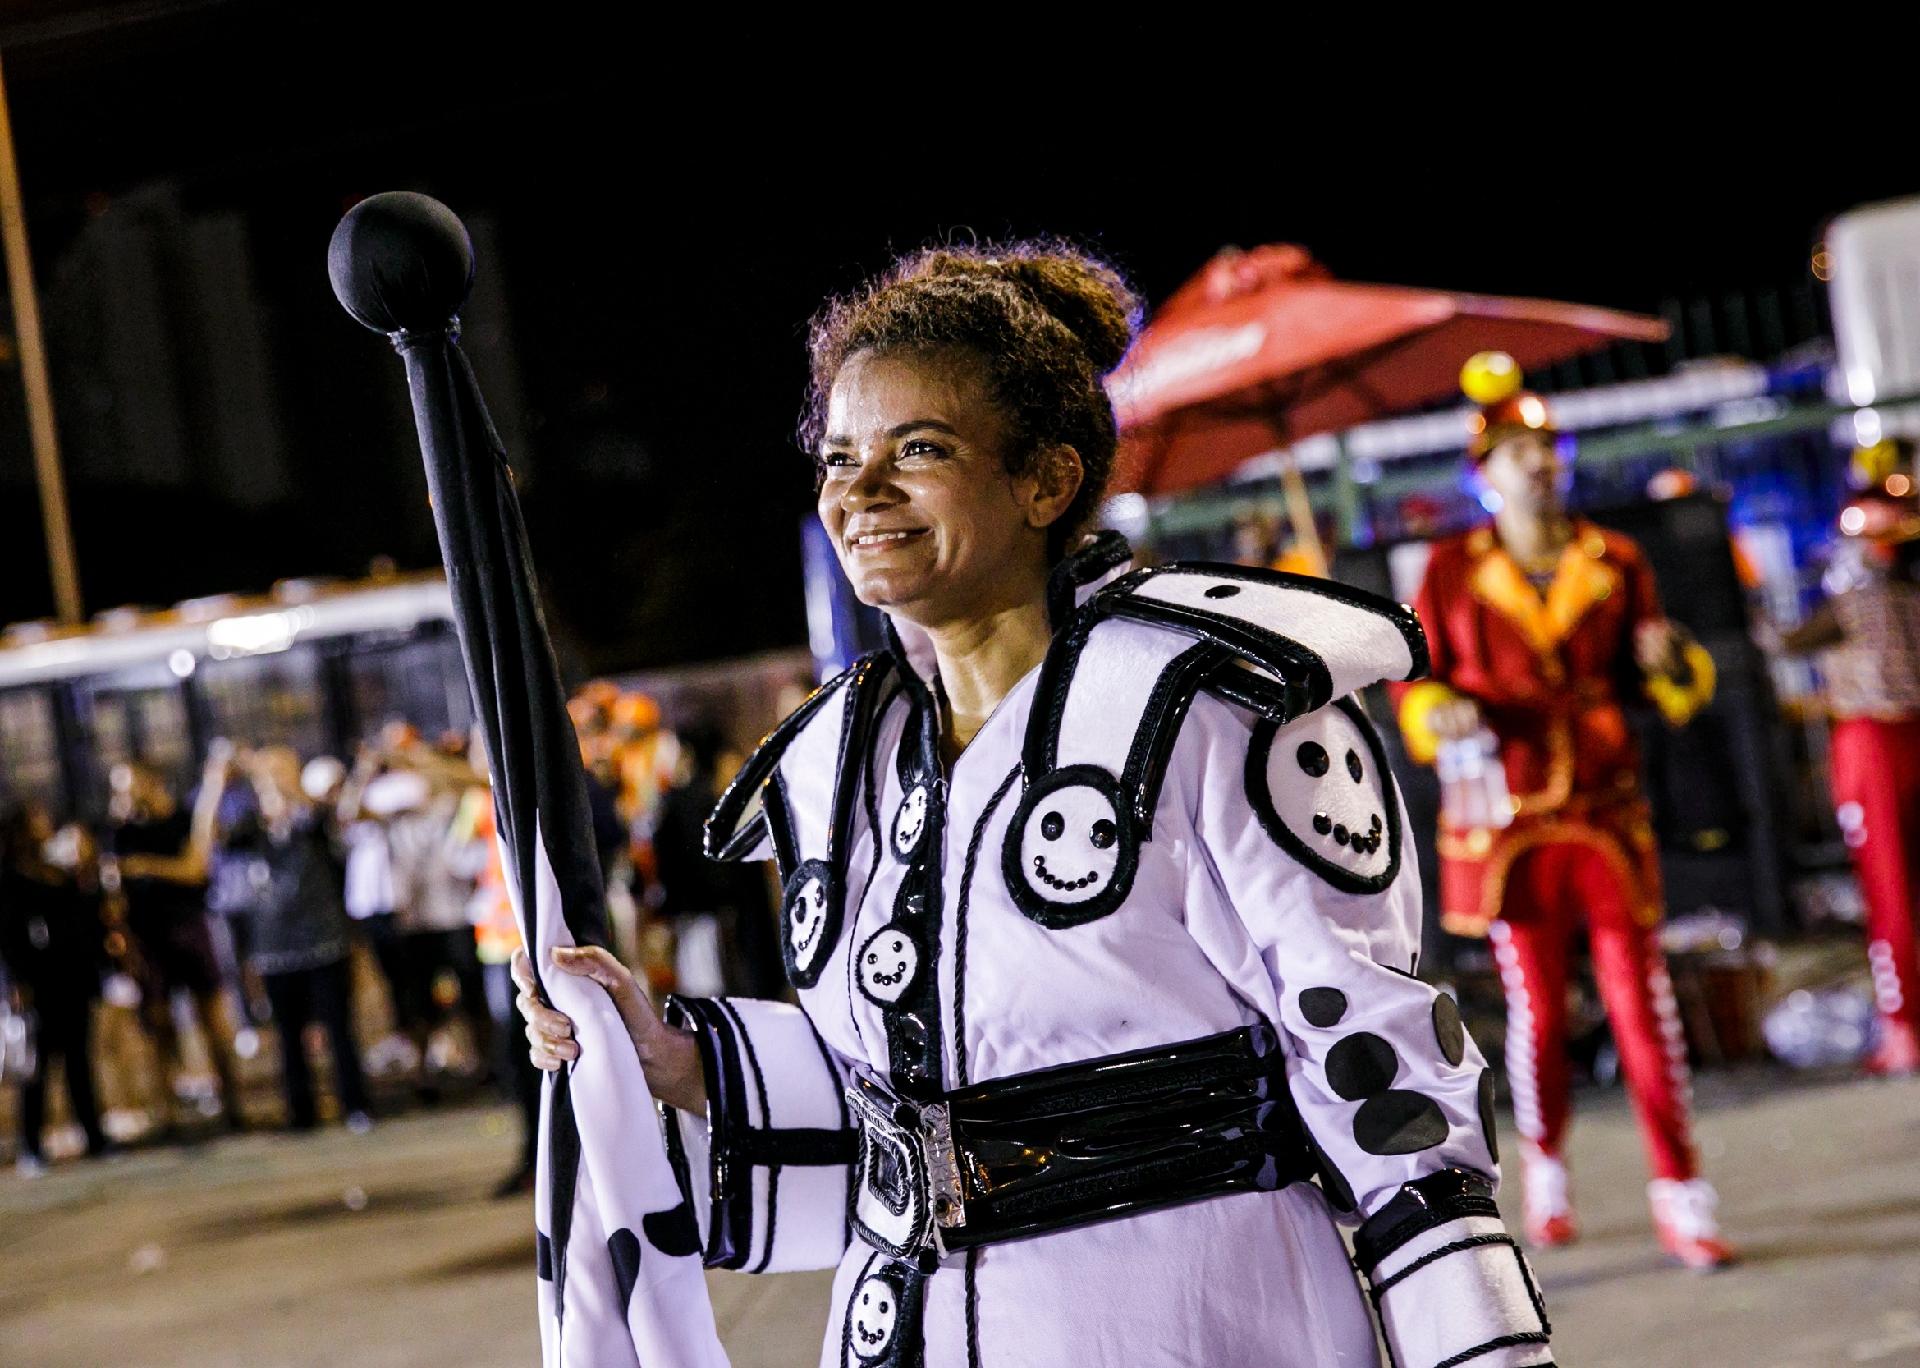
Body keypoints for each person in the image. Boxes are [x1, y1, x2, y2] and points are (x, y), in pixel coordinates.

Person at [513, 244, 1554, 1368]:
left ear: (1047, 481)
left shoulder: (1221, 708)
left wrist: (1484, 1355)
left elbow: (1385, 1083)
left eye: (918, 451)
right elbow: (908, 1084)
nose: (859, 493)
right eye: (839, 456)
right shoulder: (834, 761)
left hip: (1202, 1326)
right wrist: (676, 1058)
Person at [1395, 351, 1732, 1270]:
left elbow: (1659, 680)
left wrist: (1670, 669)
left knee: (1641, 1001)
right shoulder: (1451, 568)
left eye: (1548, 449)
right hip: (1506, 814)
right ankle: (1546, 1170)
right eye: (1516, 453)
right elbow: (1416, 683)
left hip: (1604, 805)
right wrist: (1436, 708)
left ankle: (1684, 1191)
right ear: (1485, 474)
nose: (1538, 466)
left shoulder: (1615, 558)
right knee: (1539, 1009)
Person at [1779, 446, 1920, 1075]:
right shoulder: (1847, 583)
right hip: (1873, 742)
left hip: (1884, 740)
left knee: (1894, 894)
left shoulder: (1882, 580)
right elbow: (1788, 640)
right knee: (1891, 895)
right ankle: (1906, 1026)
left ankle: (1905, 1030)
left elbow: (1785, 639)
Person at [208, 747, 372, 1133]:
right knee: (287, 1036)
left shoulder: (310, 822)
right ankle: (302, 1112)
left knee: (339, 1028)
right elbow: (211, 842)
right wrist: (216, 784)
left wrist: (275, 777)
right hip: (275, 950)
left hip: (324, 941)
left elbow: (324, 817)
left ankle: (355, 1105)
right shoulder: (251, 829)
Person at [106, 758, 246, 1133]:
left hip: (189, 927)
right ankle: (167, 1112)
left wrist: (145, 866)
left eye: (128, 783)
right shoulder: (122, 832)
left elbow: (195, 867)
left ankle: (232, 1102)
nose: (123, 793)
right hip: (148, 938)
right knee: (158, 1024)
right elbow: (115, 885)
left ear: (152, 782)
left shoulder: (180, 820)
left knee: (211, 1018)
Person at [1, 805, 111, 1172]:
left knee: (79, 1062)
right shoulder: (12, 879)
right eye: (36, 823)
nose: (45, 828)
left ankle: (94, 1136)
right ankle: (31, 1145)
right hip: (38, 983)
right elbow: (9, 937)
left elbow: (85, 920)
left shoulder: (61, 874)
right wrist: (16, 981)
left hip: (72, 977)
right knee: (38, 1069)